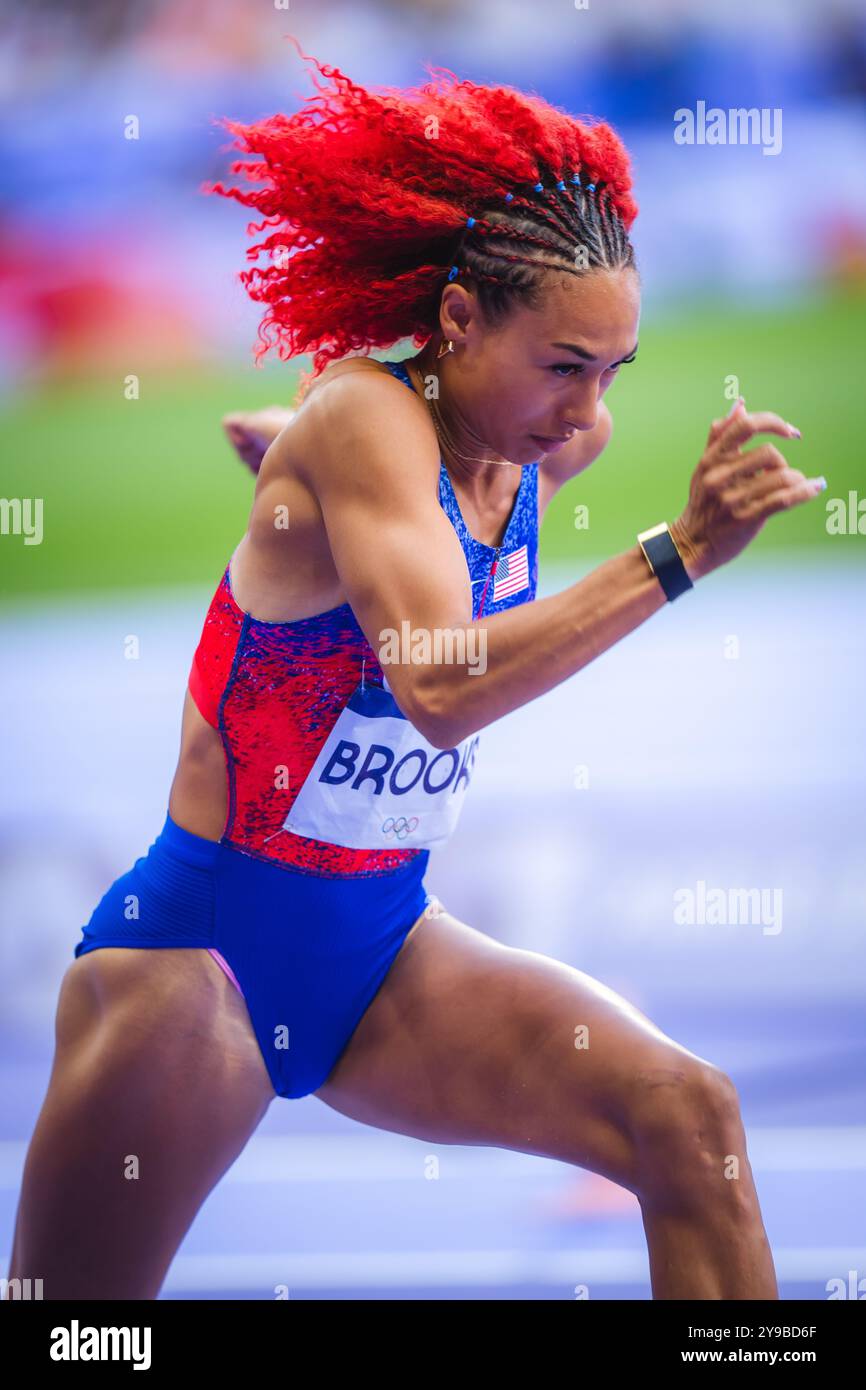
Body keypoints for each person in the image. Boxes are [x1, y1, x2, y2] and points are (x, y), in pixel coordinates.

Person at [6, 43, 825, 1301]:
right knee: (76, 1331)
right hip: (199, 964)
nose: (586, 409)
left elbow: (416, 511)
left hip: (380, 951)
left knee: (688, 1119)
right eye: (562, 363)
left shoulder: (537, 437)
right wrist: (681, 552)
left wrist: (295, 481)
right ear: (455, 321)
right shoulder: (360, 417)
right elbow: (438, 688)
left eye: (615, 370)